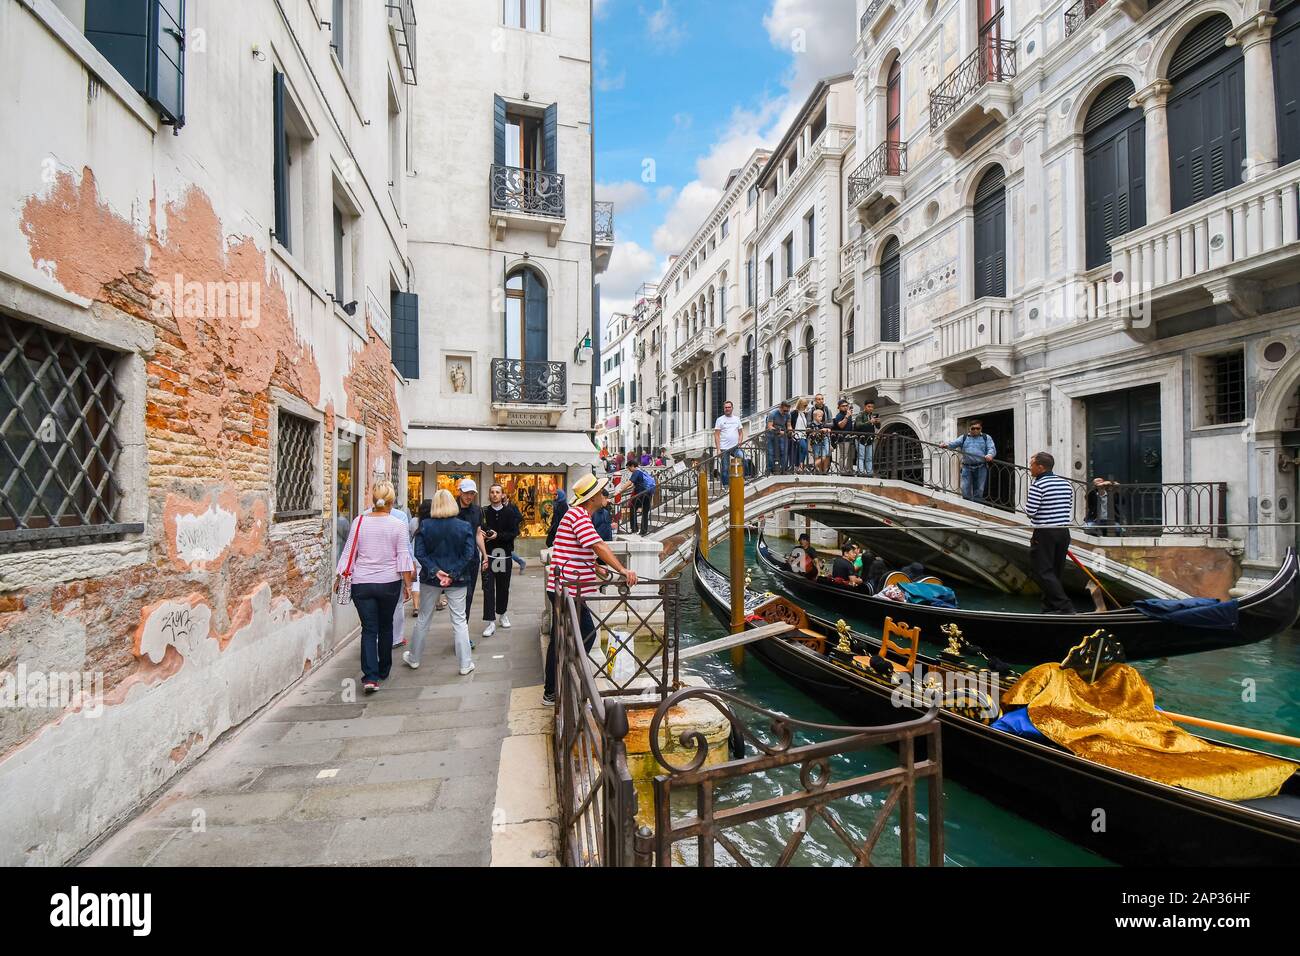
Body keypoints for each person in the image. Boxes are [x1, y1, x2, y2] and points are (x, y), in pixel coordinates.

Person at [542, 474, 639, 706]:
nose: (604, 495)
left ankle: (556, 687)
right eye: (601, 492)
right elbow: (599, 545)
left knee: (566, 636)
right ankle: (559, 686)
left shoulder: (576, 515)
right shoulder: (580, 516)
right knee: (582, 634)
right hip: (568, 588)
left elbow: (573, 548)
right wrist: (623, 570)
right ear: (592, 497)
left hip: (566, 586)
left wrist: (595, 567)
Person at [334, 481, 414, 694]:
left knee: (369, 629)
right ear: (391, 502)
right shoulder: (398, 524)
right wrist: (408, 585)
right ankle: (384, 669)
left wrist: (340, 575)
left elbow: (349, 551)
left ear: (373, 500)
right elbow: (403, 557)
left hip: (362, 583)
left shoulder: (359, 521)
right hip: (389, 583)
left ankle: (370, 677)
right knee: (386, 626)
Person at [407, 490, 478, 675]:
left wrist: (436, 571)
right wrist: (452, 574)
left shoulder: (425, 526)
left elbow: (420, 553)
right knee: (459, 621)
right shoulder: (463, 526)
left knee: (423, 618)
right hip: (458, 578)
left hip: (431, 579)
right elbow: (469, 555)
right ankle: (465, 663)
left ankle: (414, 658)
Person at [1025, 451, 1076, 614]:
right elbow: (1067, 506)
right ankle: (1049, 608)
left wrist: (1028, 508)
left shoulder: (1038, 485)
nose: (1029, 468)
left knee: (1041, 571)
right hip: (1062, 532)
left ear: (1040, 467)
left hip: (1045, 533)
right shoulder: (1066, 484)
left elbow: (1031, 511)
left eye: (1031, 465)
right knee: (1055, 571)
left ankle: (1065, 607)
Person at [481, 483, 522, 637]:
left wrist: (498, 536)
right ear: (489, 494)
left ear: (502, 494)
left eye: (497, 492)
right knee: (488, 588)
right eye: (492, 492)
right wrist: (484, 534)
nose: (494, 495)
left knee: (503, 587)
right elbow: (479, 529)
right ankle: (490, 621)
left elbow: (514, 532)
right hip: (489, 556)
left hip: (503, 555)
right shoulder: (484, 512)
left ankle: (502, 613)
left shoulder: (510, 512)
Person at [456, 479, 488, 621]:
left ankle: (463, 631)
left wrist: (485, 555)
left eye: (472, 493)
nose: (469, 496)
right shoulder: (451, 509)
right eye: (466, 493)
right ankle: (459, 630)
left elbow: (478, 533)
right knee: (456, 597)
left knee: (469, 595)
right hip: (455, 558)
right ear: (460, 492)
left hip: (472, 558)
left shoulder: (477, 510)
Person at [947, 421, 997, 503]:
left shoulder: (986, 437)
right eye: (973, 428)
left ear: (981, 429)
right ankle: (967, 506)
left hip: (981, 467)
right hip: (967, 467)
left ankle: (976, 507)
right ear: (969, 429)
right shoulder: (964, 437)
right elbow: (954, 444)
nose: (975, 430)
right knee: (965, 489)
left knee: (979, 490)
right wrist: (945, 445)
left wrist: (990, 455)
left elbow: (991, 448)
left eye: (978, 428)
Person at [408, 499, 433, 617]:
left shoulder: (414, 521)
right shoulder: (433, 522)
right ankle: (432, 604)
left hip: (415, 552)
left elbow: (408, 538)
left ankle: (416, 606)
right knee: (432, 580)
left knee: (416, 581)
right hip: (429, 555)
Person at [627, 461, 656, 536]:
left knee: (632, 508)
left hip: (641, 494)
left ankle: (634, 529)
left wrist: (620, 490)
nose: (629, 470)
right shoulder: (642, 471)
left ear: (632, 466)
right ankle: (643, 531)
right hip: (648, 493)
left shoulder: (636, 472)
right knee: (645, 512)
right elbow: (634, 484)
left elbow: (630, 482)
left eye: (629, 467)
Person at [714, 400, 745, 470]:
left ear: (732, 408)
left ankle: (744, 478)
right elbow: (716, 435)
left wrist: (739, 444)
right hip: (724, 448)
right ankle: (726, 481)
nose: (727, 409)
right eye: (726, 407)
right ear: (724, 409)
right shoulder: (719, 420)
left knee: (743, 458)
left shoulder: (737, 419)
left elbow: (741, 433)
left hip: (736, 447)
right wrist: (718, 449)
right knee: (725, 468)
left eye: (729, 407)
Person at [766, 401, 791, 475]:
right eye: (784, 410)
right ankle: (771, 470)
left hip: (782, 435)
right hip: (771, 435)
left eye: (787, 410)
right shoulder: (772, 413)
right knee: (771, 453)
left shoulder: (788, 414)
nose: (786, 412)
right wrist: (779, 431)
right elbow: (769, 426)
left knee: (784, 452)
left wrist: (790, 430)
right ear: (780, 407)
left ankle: (783, 469)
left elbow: (789, 425)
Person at [854, 402, 878, 477]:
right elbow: (858, 426)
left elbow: (878, 427)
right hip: (860, 439)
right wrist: (869, 422)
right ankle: (860, 472)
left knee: (869, 457)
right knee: (861, 457)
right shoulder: (860, 416)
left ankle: (869, 473)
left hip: (870, 439)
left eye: (872, 407)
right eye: (869, 406)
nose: (870, 408)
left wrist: (877, 422)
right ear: (865, 407)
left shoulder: (872, 416)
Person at [832, 399, 854, 472]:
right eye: (843, 406)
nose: (845, 407)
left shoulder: (848, 415)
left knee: (851, 456)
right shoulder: (839, 416)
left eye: (846, 406)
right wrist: (847, 416)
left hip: (850, 438)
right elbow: (841, 425)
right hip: (843, 439)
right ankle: (842, 470)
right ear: (839, 407)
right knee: (843, 455)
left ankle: (849, 469)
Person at [809, 406, 831, 473]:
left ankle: (813, 465)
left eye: (822, 416)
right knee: (816, 456)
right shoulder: (812, 424)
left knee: (824, 456)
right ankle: (818, 470)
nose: (821, 418)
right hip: (815, 443)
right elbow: (813, 432)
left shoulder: (821, 424)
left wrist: (826, 429)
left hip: (822, 442)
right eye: (819, 416)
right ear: (815, 417)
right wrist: (821, 430)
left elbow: (824, 432)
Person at [790, 398, 810, 472]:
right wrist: (792, 432)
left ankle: (798, 465)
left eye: (806, 405)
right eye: (804, 405)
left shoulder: (805, 414)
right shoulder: (794, 413)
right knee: (803, 448)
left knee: (803, 450)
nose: (805, 406)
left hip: (804, 435)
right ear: (800, 404)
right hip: (797, 435)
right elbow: (790, 423)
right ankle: (800, 465)